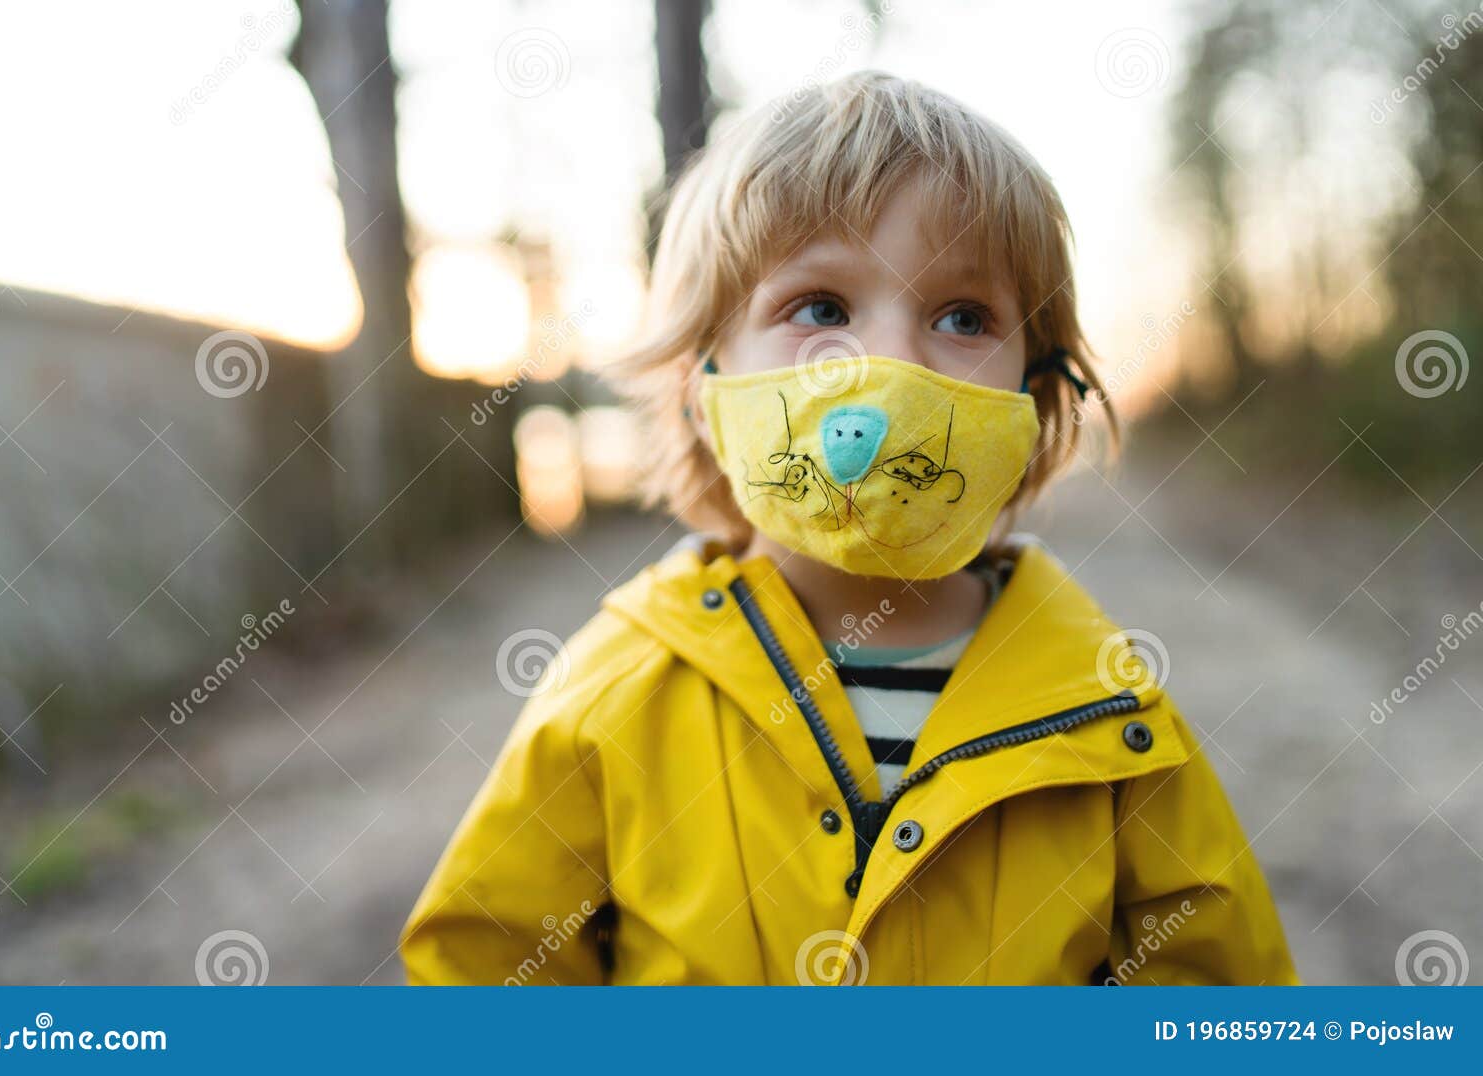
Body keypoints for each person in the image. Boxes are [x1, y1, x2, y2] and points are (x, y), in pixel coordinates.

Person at [400, 71, 1298, 985]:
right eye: (820, 308)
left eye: (962, 317)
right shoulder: (614, 693)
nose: (888, 367)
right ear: (704, 388)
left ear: (1036, 395)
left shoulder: (1112, 710)